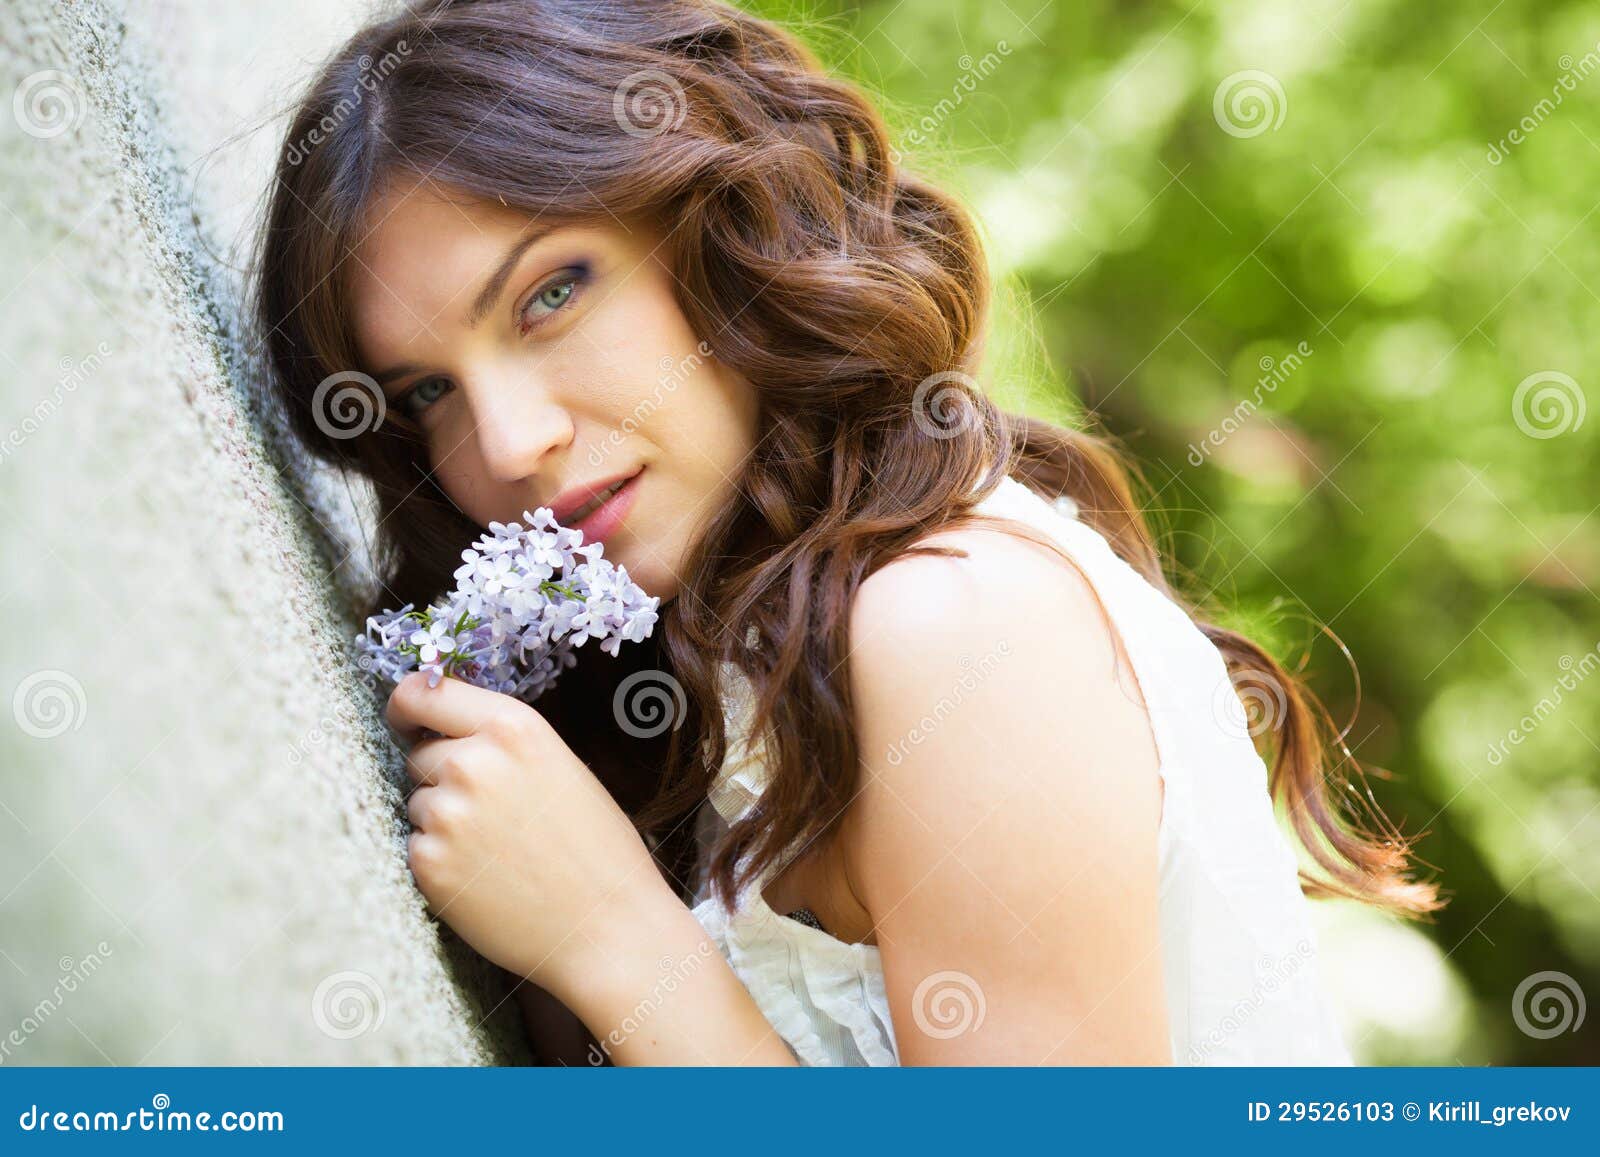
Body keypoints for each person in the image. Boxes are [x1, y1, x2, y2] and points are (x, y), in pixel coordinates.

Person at [252, 0, 1442, 1065]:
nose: (505, 445)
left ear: (721, 230)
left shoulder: (958, 621)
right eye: (423, 394)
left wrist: (615, 938)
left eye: (551, 292)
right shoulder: (692, 694)